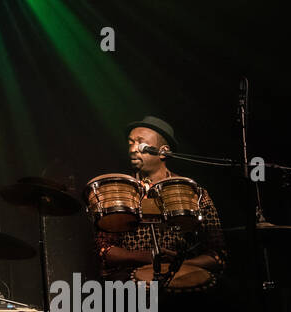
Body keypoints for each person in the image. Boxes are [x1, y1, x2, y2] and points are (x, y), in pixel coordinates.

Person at [94, 116, 226, 281]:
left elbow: (216, 255)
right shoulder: (119, 192)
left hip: (182, 275)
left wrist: (181, 263)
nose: (133, 149)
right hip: (130, 279)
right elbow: (105, 250)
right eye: (130, 143)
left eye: (140, 143)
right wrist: (148, 257)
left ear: (163, 152)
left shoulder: (194, 193)